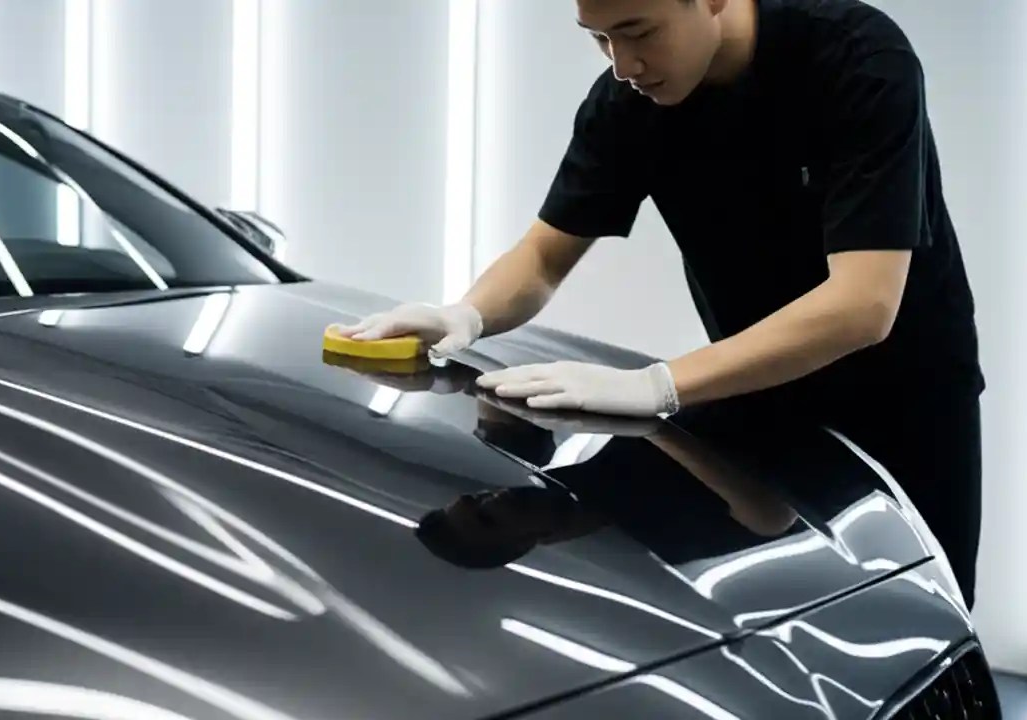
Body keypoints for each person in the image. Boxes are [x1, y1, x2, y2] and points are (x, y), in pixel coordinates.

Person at [333, 0, 984, 609]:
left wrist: (657, 385)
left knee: (916, 619)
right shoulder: (627, 104)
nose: (623, 64)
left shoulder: (856, 58)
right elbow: (542, 257)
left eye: (639, 32)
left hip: (905, 403)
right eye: (600, 39)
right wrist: (465, 315)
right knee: (767, 618)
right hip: (752, 393)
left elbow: (861, 305)